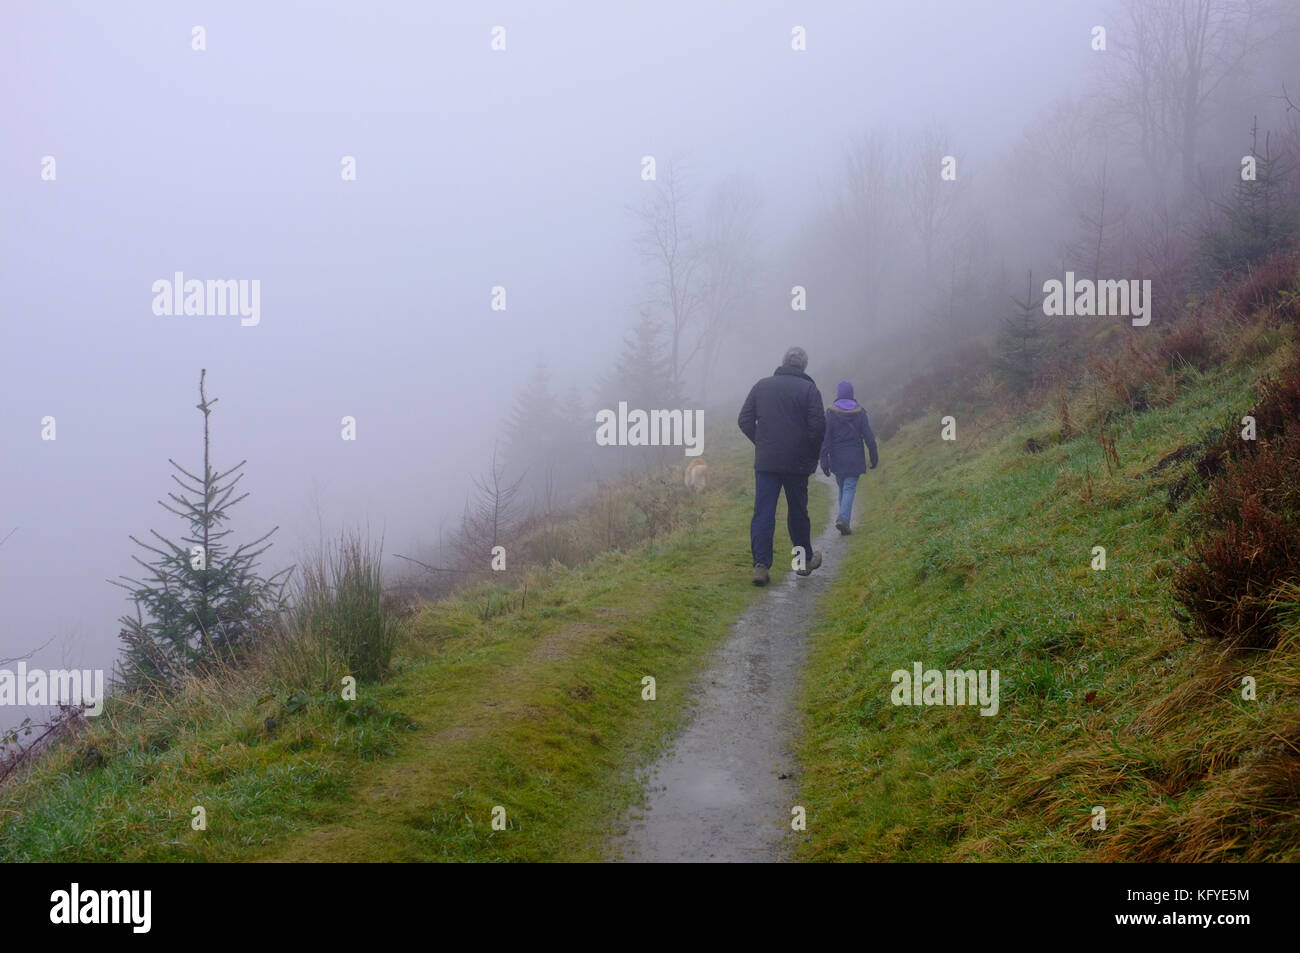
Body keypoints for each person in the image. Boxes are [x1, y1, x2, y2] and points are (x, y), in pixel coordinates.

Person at [737, 347, 826, 586]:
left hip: (766, 463)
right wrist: (811, 456)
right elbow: (818, 429)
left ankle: (761, 566)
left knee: (763, 512)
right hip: (796, 464)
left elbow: (744, 420)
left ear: (783, 362)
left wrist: (763, 443)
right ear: (804, 366)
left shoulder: (761, 385)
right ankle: (802, 562)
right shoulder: (809, 390)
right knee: (797, 512)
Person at [819, 380, 878, 535]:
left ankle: (843, 520)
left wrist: (824, 460)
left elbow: (825, 439)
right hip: (854, 458)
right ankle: (844, 520)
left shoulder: (830, 413)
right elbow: (869, 438)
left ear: (838, 394)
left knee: (843, 488)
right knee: (848, 488)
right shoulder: (860, 412)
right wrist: (874, 456)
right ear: (852, 393)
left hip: (837, 458)